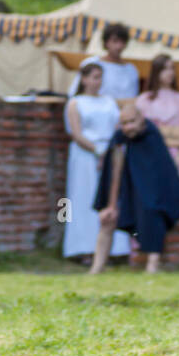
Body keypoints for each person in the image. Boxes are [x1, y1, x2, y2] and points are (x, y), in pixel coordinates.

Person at [90, 101, 179, 274]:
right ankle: (97, 267)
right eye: (124, 123)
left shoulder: (151, 135)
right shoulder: (119, 139)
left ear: (141, 119)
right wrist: (112, 205)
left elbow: (158, 175)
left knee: (152, 210)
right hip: (127, 193)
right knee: (107, 218)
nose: (128, 127)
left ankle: (152, 265)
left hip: (152, 195)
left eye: (132, 122)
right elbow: (115, 172)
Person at [63, 63, 129, 261]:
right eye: (93, 77)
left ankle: (113, 248)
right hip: (85, 156)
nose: (97, 81)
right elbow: (76, 133)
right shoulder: (75, 103)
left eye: (100, 77)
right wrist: (97, 151)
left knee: (110, 198)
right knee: (84, 199)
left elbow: (117, 127)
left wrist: (110, 152)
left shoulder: (109, 101)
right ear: (83, 79)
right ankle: (83, 248)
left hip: (109, 152)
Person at [134, 53, 179, 183]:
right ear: (156, 71)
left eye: (172, 68)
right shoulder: (144, 100)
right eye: (165, 69)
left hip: (177, 158)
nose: (170, 72)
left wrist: (176, 163)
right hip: (150, 158)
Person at [68, 23, 140, 99]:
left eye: (122, 42)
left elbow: (132, 99)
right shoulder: (91, 63)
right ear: (106, 42)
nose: (119, 46)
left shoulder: (131, 70)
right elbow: (75, 93)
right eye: (115, 41)